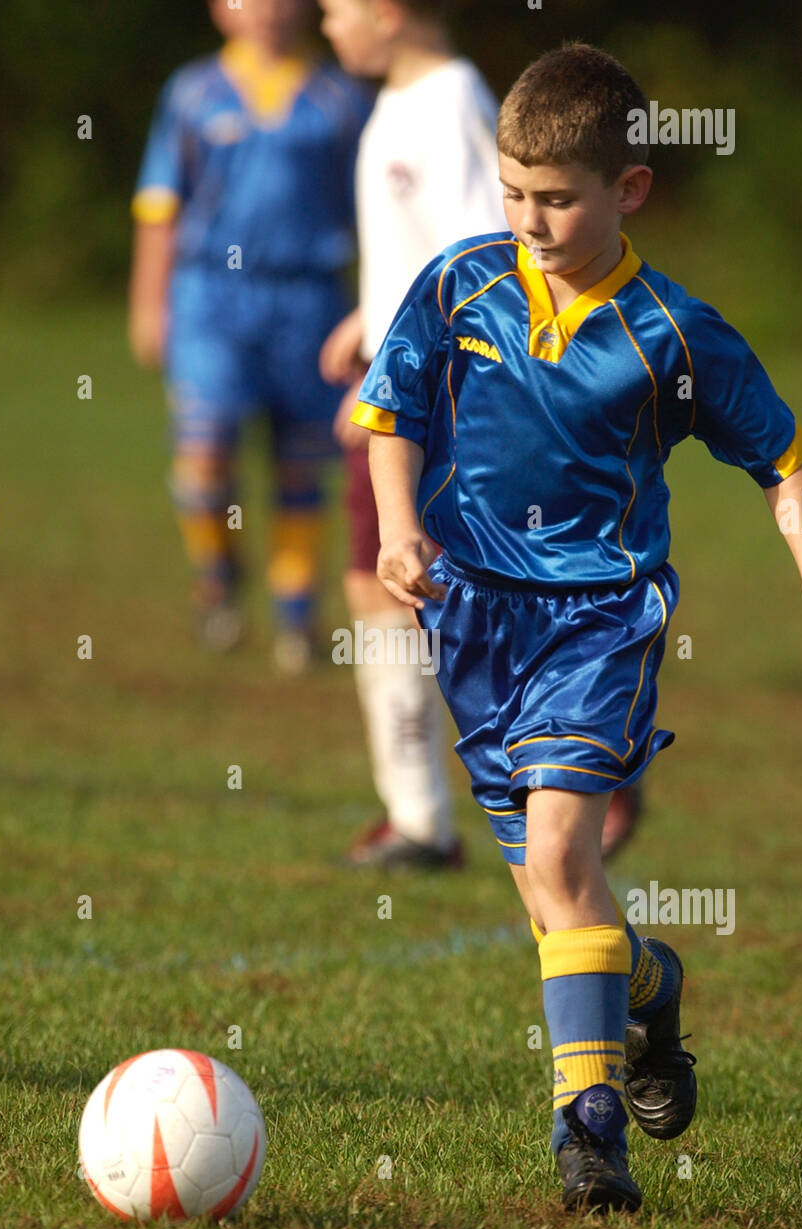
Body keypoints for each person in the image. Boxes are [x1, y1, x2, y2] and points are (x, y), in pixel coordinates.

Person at [352, 43, 802, 1211]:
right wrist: (401, 528)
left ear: (631, 189)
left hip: (601, 620)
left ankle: (587, 1133)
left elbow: (788, 470)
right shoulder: (463, 282)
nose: (530, 220)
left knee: (566, 854)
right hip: (473, 624)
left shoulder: (673, 333)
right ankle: (651, 992)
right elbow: (392, 405)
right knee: (563, 906)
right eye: (512, 194)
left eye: (556, 198)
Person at [128, 0, 372, 667]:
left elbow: (376, 208)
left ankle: (297, 619)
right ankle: (219, 581)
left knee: (302, 460)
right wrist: (149, 302)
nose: (265, 10)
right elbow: (159, 201)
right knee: (204, 450)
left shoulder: (341, 98)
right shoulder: (192, 92)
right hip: (209, 294)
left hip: (308, 297)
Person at [318, 0, 501, 867]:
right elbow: (423, 257)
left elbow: (481, 263)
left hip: (434, 394)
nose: (325, 25)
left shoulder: (452, 99)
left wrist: (403, 394)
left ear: (386, 13)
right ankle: (420, 813)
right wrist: (368, 320)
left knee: (412, 587)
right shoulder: (394, 100)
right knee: (383, 586)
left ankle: (430, 816)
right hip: (395, 378)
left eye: (334, 9)